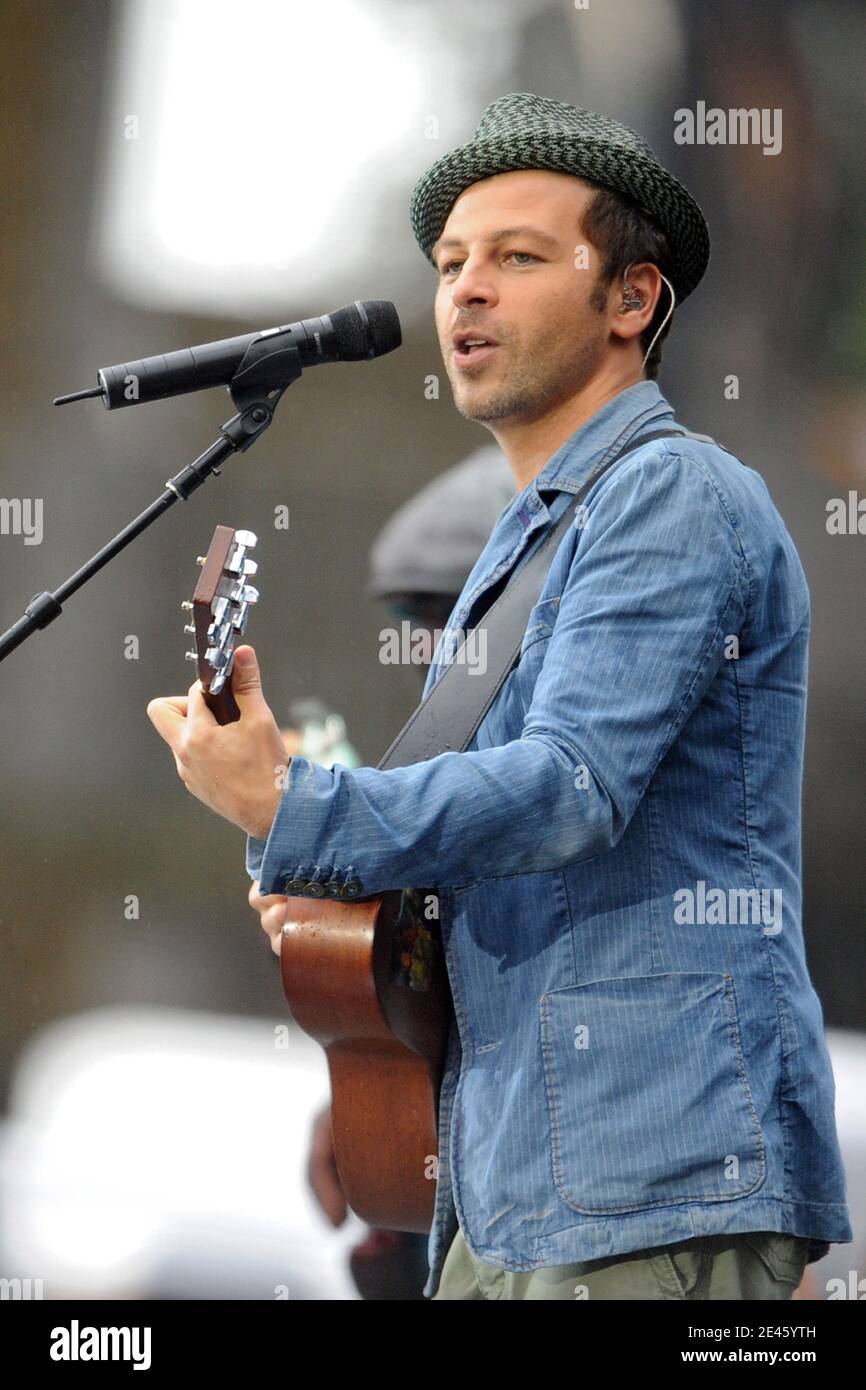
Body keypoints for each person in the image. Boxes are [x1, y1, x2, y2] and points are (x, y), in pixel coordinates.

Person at [147, 93, 852, 1300]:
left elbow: (568, 789)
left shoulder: (670, 495)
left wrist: (295, 807)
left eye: (517, 258)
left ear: (633, 299)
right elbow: (487, 840)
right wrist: (329, 876)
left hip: (655, 1172)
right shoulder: (518, 549)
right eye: (450, 263)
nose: (464, 289)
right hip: (514, 1183)